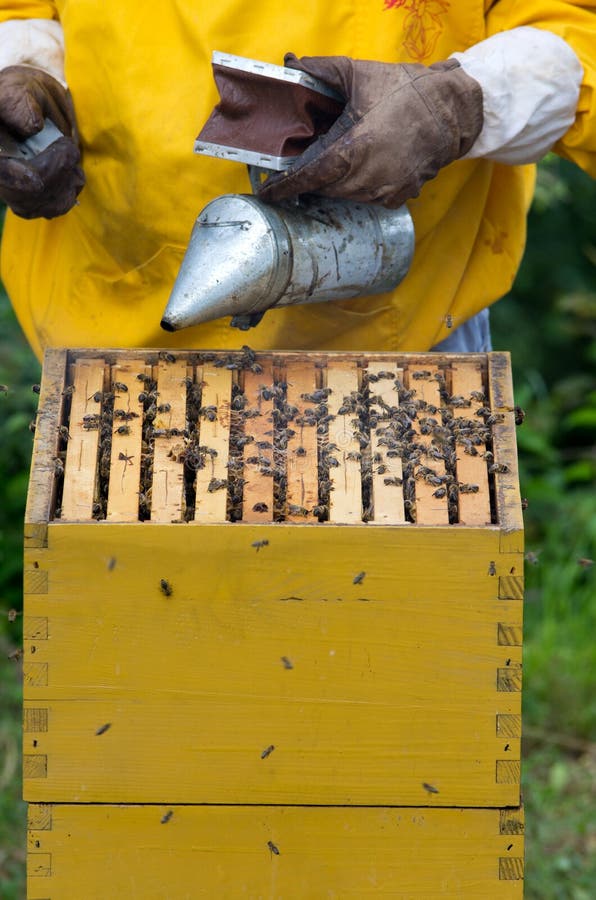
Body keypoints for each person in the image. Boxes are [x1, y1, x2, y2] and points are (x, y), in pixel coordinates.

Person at [0, 3, 594, 362]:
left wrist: (463, 102)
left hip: (403, 329)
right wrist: (19, 66)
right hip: (106, 316)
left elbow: (574, 29)